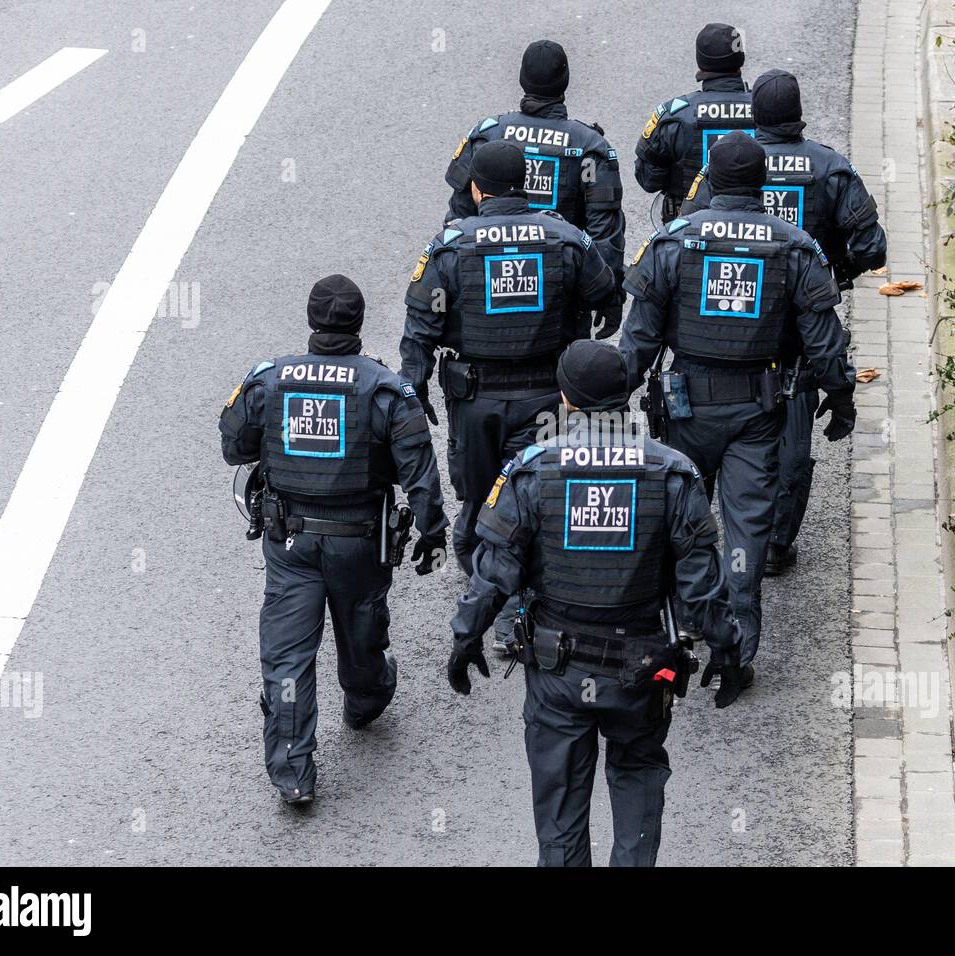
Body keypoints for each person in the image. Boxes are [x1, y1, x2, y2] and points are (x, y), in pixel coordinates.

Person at [448, 339, 743, 866]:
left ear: (566, 398)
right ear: (625, 394)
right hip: (642, 666)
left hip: (556, 666)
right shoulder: (673, 471)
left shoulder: (533, 469)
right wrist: (727, 647)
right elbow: (701, 585)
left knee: (559, 803)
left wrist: (467, 634)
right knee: (637, 776)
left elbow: (495, 570)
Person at [618, 132, 857, 673]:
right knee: (747, 527)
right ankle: (739, 647)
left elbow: (638, 342)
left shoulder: (672, 241)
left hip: (685, 411)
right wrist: (841, 398)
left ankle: (685, 621)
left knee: (682, 515)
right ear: (763, 184)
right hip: (758, 411)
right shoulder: (795, 246)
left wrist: (605, 406)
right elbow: (824, 341)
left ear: (712, 180)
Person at [220, 274, 448, 804]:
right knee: (363, 630)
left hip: (289, 542)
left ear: (311, 321)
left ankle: (293, 773)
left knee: (286, 657)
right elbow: (421, 470)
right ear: (359, 324)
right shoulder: (386, 388)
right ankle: (365, 701)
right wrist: (432, 533)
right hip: (361, 543)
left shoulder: (268, 380)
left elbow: (233, 445)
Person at [402, 140, 616, 648]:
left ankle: (489, 589)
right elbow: (605, 291)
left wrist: (414, 386)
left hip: (475, 402)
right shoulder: (564, 237)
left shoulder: (450, 245)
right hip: (545, 396)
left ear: (476, 190)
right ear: (527, 183)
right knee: (530, 492)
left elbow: (420, 325)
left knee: (481, 494)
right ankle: (513, 600)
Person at [681, 68, 887, 574]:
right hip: (801, 331)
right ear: (798, 114)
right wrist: (828, 270)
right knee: (793, 439)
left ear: (755, 114)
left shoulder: (726, 168)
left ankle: (697, 542)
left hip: (738, 329)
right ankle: (773, 542)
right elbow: (872, 247)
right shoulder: (831, 167)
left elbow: (685, 235)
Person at [445, 39, 626, 333]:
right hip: (561, 290)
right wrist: (609, 296)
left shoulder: (486, 135)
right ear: (565, 82)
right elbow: (604, 232)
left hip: (487, 284)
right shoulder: (591, 146)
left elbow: (457, 219)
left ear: (522, 79)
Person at [633, 22, 753, 223]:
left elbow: (648, 179)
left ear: (701, 64)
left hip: (688, 231)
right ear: (740, 60)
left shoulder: (675, 114)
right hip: (760, 225)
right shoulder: (766, 109)